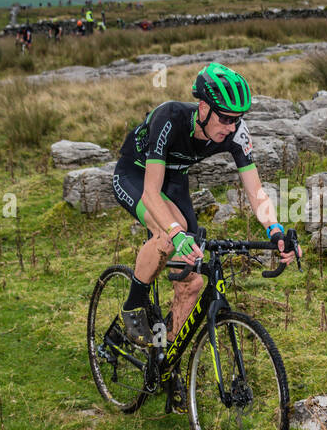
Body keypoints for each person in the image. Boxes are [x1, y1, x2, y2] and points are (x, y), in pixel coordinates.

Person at [112, 63, 299, 399]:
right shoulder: (169, 118)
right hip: (136, 174)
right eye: (224, 118)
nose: (230, 127)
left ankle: (163, 358)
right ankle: (133, 305)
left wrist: (275, 229)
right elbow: (152, 194)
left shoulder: (236, 134)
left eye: (236, 119)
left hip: (176, 180)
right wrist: (175, 232)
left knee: (193, 282)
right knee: (171, 235)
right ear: (203, 108)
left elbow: (257, 193)